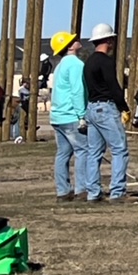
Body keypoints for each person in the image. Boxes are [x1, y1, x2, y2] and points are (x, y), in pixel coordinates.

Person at [82, 22, 130, 201]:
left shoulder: (88, 62)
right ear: (108, 40)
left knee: (94, 152)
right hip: (106, 108)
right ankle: (118, 192)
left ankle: (93, 193)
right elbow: (114, 87)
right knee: (119, 149)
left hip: (92, 108)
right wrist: (124, 107)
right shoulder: (106, 62)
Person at [48, 32, 91, 202]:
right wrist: (82, 115)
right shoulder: (75, 64)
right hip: (71, 115)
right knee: (83, 150)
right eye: (72, 40)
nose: (77, 40)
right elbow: (77, 90)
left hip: (57, 117)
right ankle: (82, 189)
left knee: (63, 153)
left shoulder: (60, 65)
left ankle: (63, 191)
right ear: (70, 46)